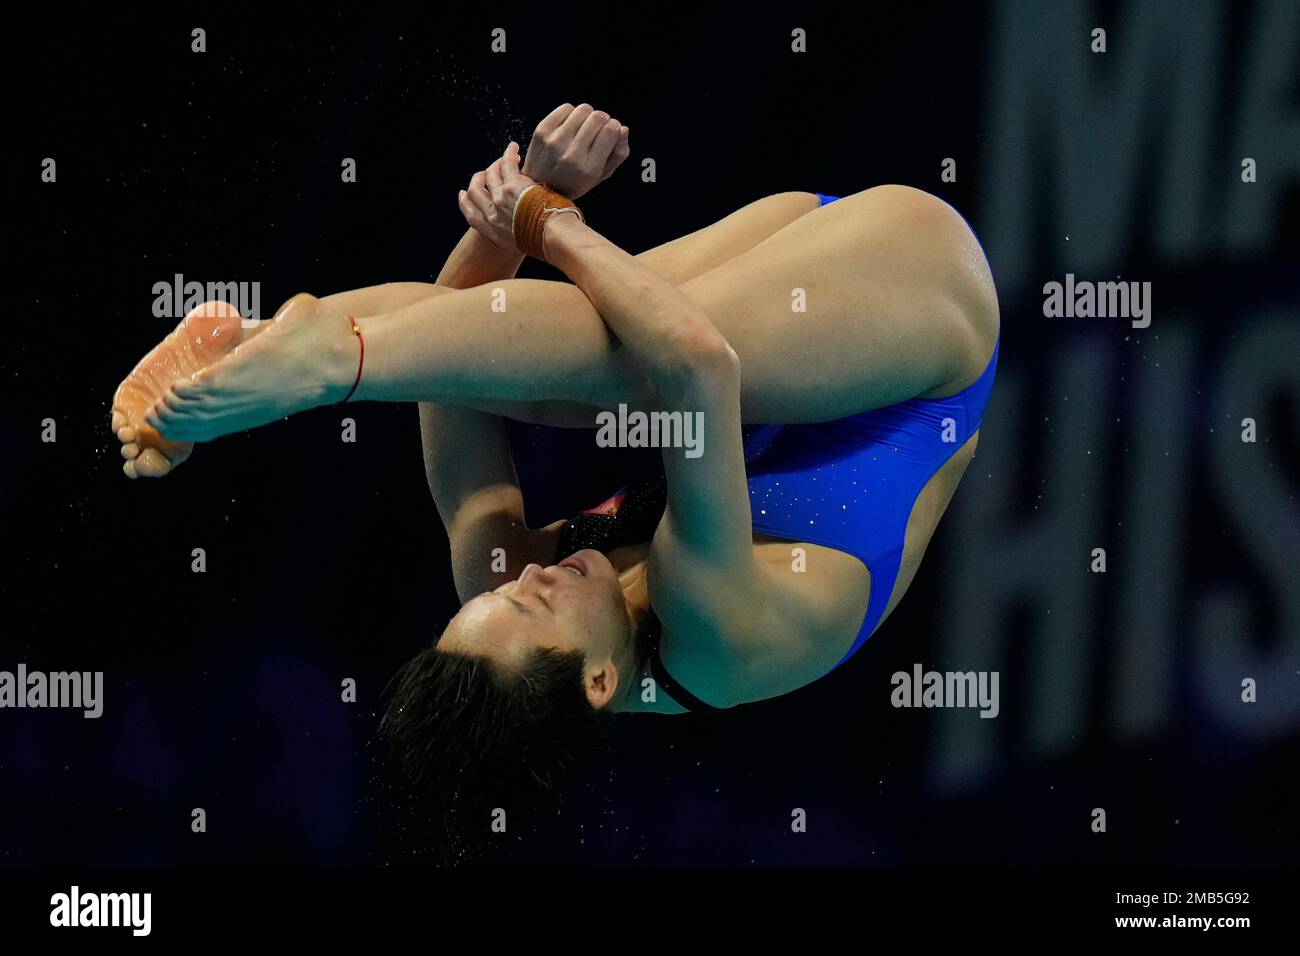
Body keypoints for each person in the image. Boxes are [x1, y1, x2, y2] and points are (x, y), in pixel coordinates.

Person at [110, 104, 999, 808]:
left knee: (549, 381)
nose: (522, 580)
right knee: (633, 384)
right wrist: (547, 221)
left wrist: (513, 211)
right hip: (922, 311)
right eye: (530, 605)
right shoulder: (719, 643)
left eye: (496, 595)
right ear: (602, 683)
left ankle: (288, 350)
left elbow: (451, 373)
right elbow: (697, 368)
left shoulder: (509, 598)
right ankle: (319, 362)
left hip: (795, 290)